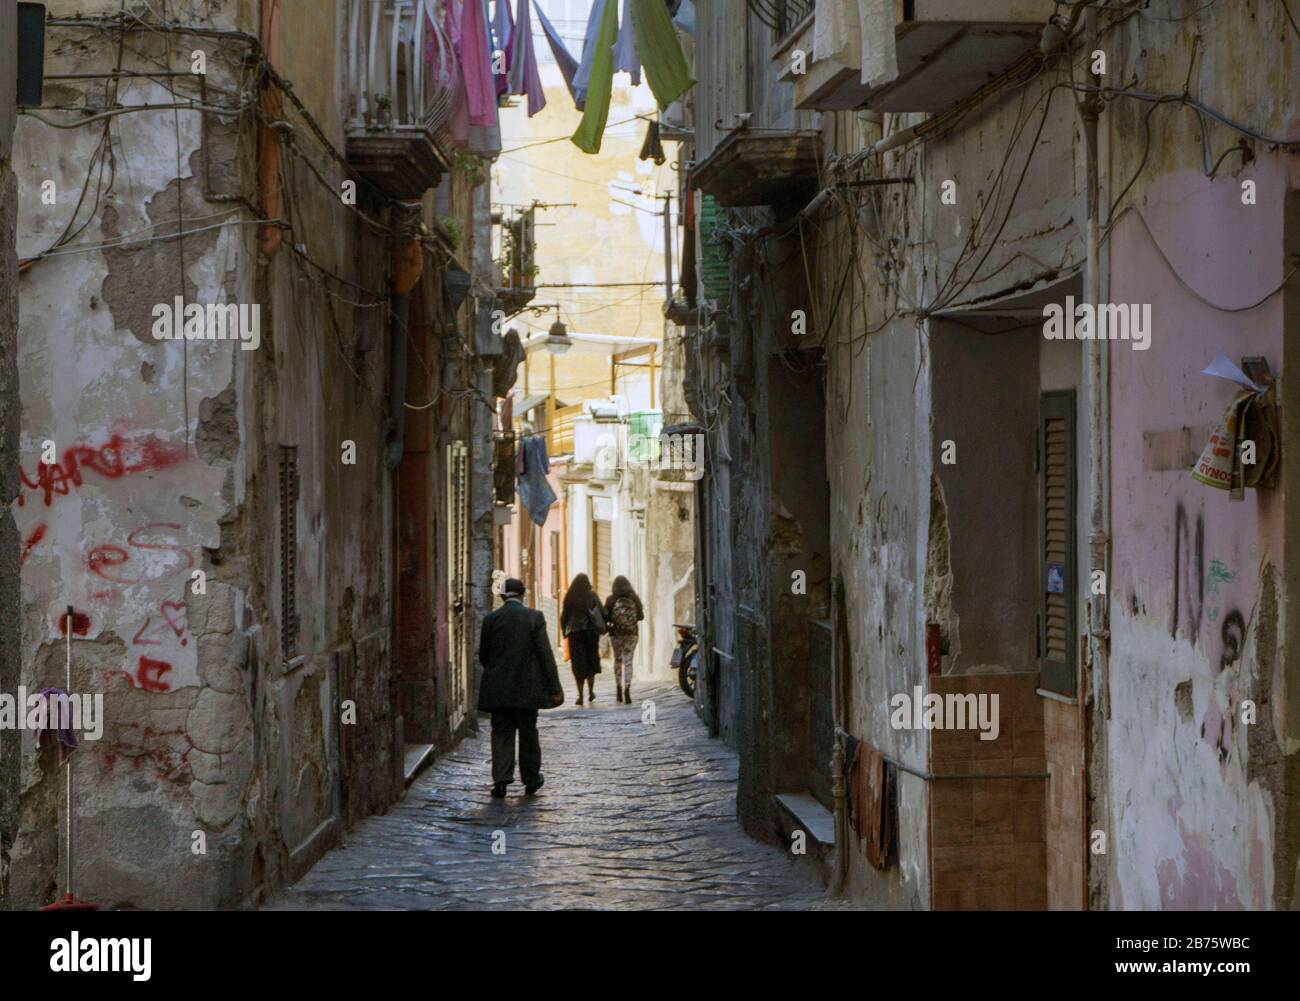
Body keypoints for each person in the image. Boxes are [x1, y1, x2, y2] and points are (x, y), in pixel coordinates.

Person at [477, 577, 564, 799]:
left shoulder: (491, 619)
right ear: (522, 595)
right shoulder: (534, 617)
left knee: (501, 733)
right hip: (527, 689)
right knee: (528, 734)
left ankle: (501, 781)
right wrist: (554, 688)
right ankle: (531, 779)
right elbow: (545, 655)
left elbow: (484, 655)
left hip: (499, 690)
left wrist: (496, 672)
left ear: (502, 596)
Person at [560, 573, 604, 706]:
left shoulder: (569, 597)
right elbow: (602, 611)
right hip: (590, 633)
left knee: (578, 664)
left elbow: (564, 617)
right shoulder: (592, 595)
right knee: (591, 662)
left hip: (574, 634)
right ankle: (591, 692)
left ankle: (580, 695)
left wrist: (564, 632)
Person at [603, 576, 644, 704]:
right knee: (628, 661)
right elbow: (641, 617)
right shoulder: (634, 598)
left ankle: (618, 689)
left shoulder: (610, 599)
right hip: (632, 634)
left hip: (616, 634)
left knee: (618, 660)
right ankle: (627, 688)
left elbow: (606, 617)